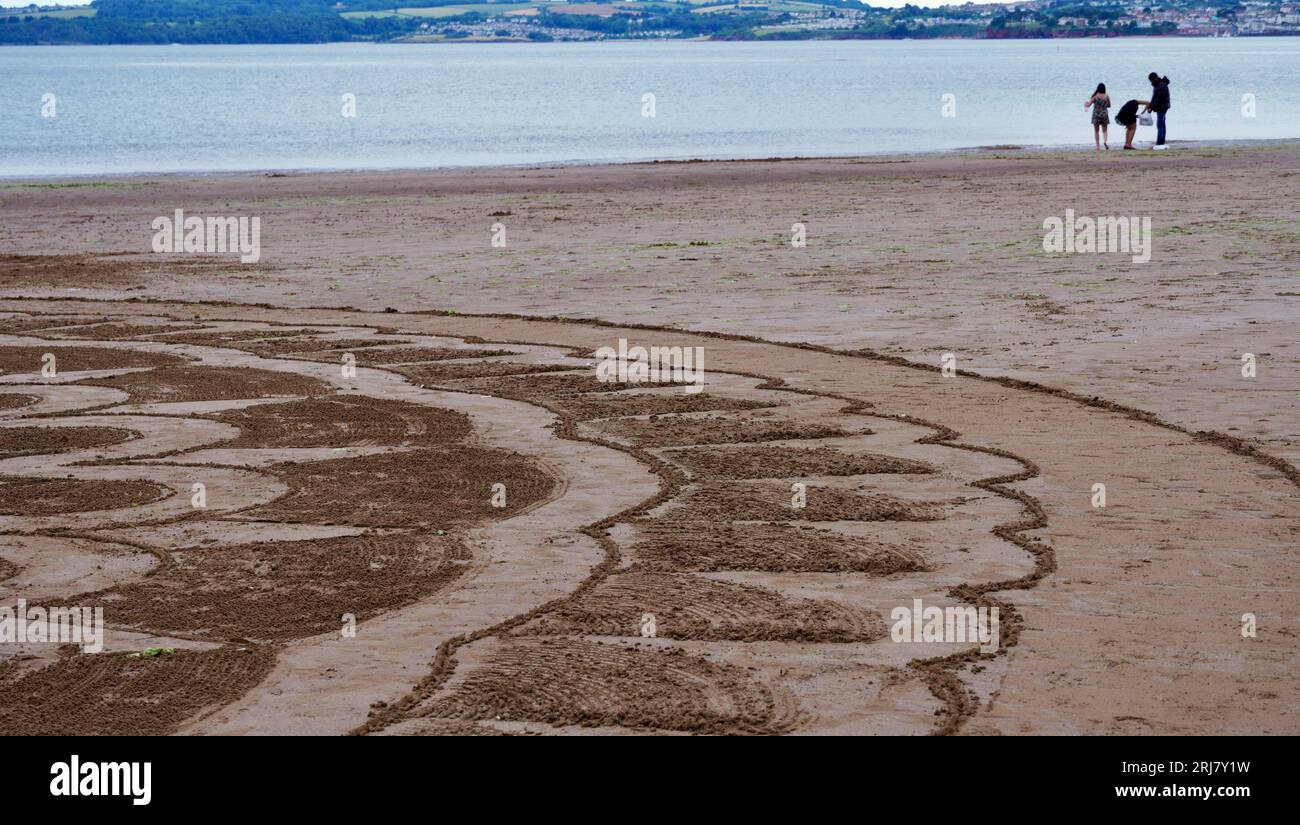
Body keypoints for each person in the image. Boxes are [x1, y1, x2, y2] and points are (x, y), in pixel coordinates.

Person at [1143, 73, 1172, 149]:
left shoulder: (1161, 85)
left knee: (1160, 124)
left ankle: (1160, 143)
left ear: (1154, 78)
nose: (1150, 82)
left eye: (1151, 80)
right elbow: (1154, 97)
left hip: (1162, 107)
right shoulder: (1158, 84)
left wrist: (1151, 108)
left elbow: (1158, 98)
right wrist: (1150, 106)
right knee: (1162, 124)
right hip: (1161, 106)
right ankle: (1161, 142)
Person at [1084, 83, 1111, 150]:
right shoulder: (1107, 96)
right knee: (1104, 130)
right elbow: (1109, 105)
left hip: (1096, 114)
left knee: (1096, 131)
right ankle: (1105, 141)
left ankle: (1098, 146)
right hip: (1104, 114)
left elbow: (1088, 105)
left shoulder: (1095, 96)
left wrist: (1085, 104)